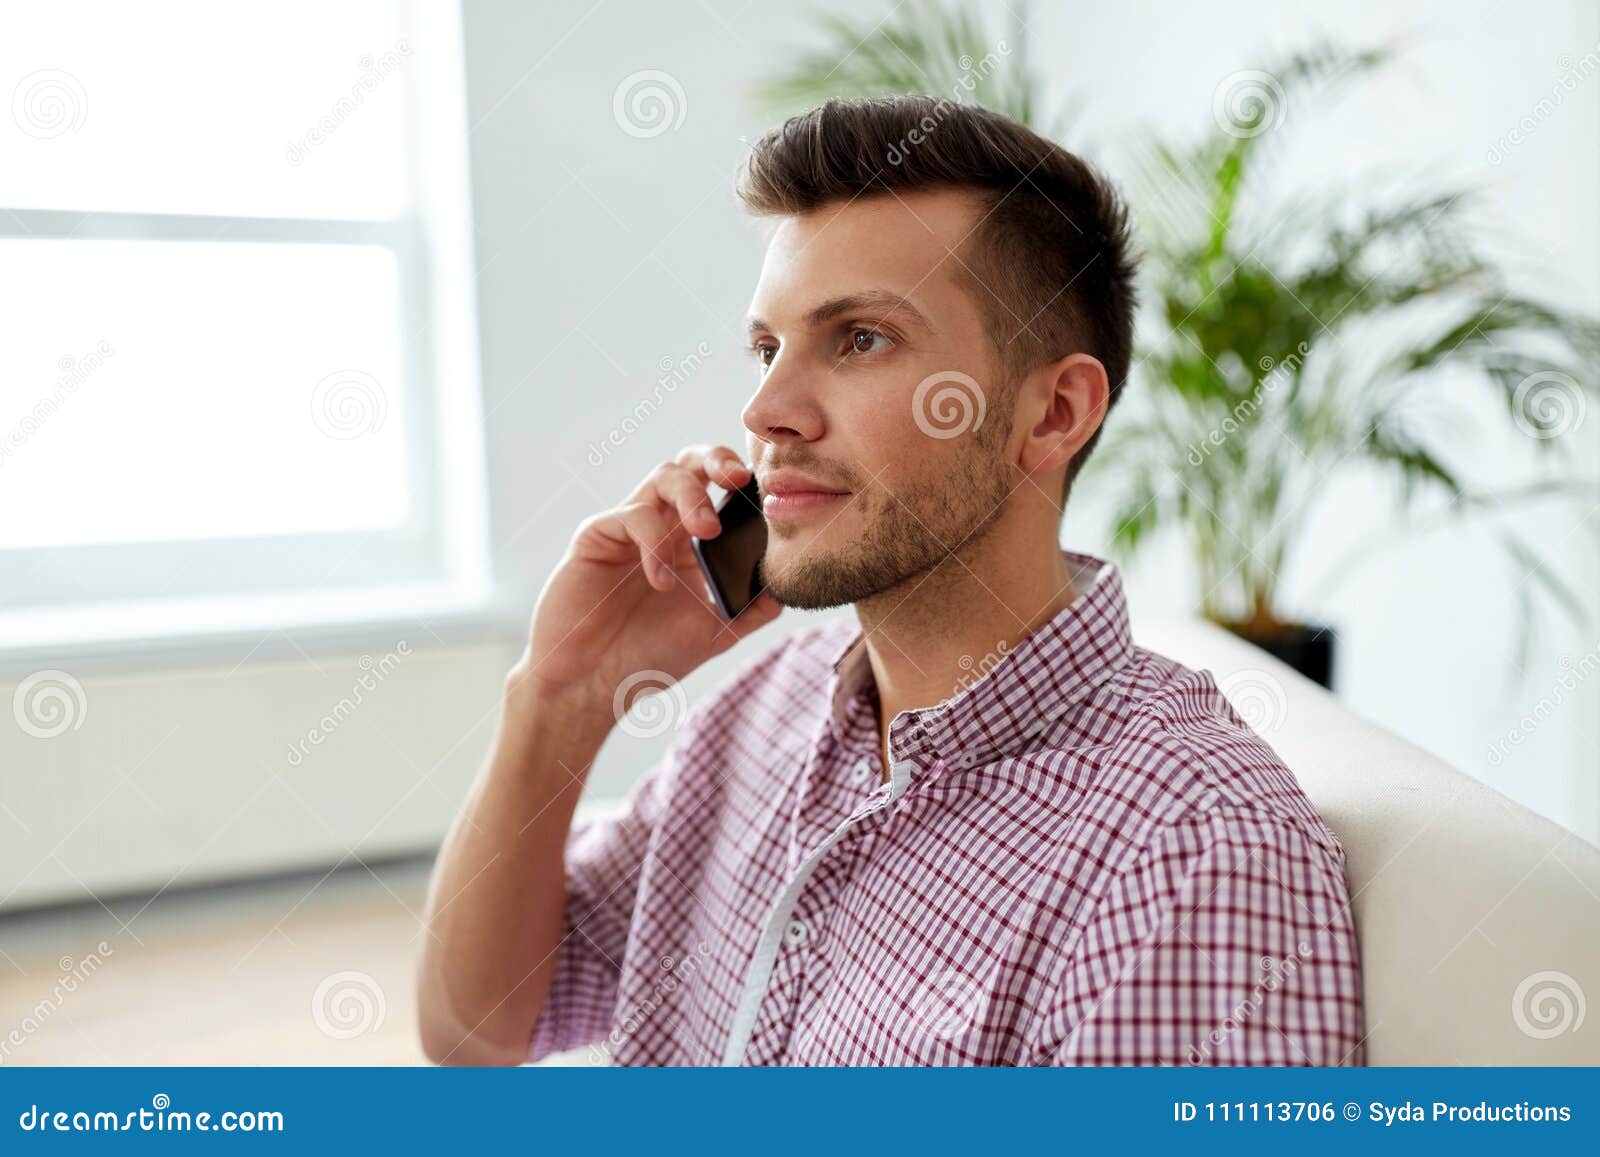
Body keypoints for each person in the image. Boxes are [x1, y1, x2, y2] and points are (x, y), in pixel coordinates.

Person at [417, 95, 1364, 1067]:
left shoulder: (1190, 856)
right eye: (766, 348)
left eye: (859, 338)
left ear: (1052, 413)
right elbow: (478, 1030)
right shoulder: (757, 712)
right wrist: (561, 697)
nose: (765, 408)